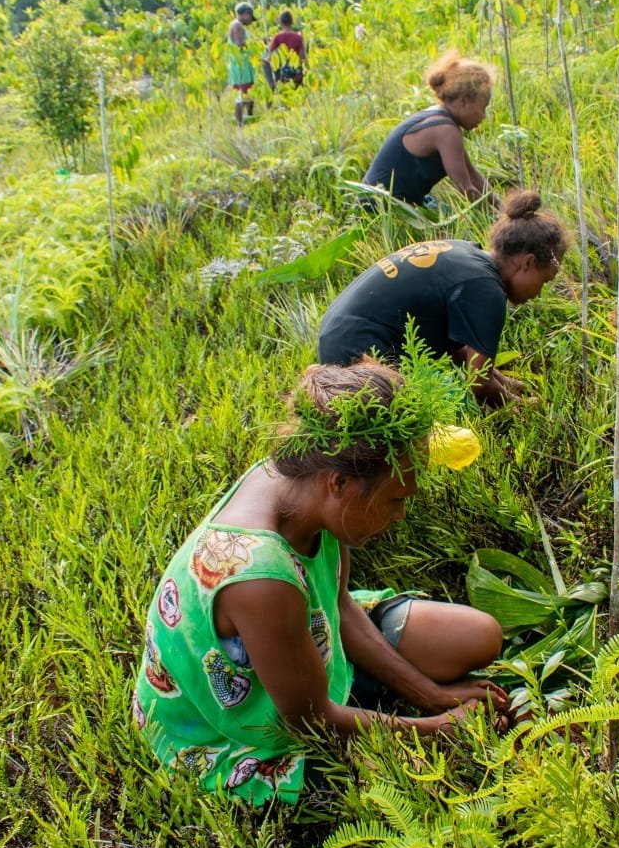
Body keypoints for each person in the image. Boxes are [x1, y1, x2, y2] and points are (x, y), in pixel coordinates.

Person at [132, 361, 508, 805]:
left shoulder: (305, 484)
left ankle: (359, 692)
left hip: (304, 632)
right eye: (394, 500)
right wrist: (435, 729)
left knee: (478, 637)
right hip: (236, 720)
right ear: (341, 484)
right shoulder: (260, 579)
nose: (400, 516)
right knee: (403, 791)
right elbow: (309, 720)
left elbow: (337, 601)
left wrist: (430, 695)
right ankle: (359, 713)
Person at [318, 190, 567, 406]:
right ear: (528, 262)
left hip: (337, 332)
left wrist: (506, 383)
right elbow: (478, 384)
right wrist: (524, 407)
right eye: (544, 281)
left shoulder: (466, 253)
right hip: (356, 352)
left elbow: (459, 350)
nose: (539, 293)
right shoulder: (487, 290)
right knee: (403, 426)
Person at [363, 51, 492, 206]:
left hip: (388, 202)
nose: (483, 116)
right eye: (482, 108)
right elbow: (466, 189)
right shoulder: (445, 131)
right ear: (464, 102)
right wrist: (496, 219)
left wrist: (501, 207)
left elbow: (473, 176)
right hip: (378, 207)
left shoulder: (442, 121)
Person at [227, 2, 257, 126]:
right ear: (245, 14)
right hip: (241, 66)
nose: (250, 20)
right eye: (250, 16)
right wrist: (256, 45)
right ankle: (241, 124)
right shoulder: (237, 25)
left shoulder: (238, 25)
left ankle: (249, 119)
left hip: (244, 65)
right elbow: (240, 44)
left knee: (249, 93)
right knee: (243, 94)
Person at [264, 10, 307, 93]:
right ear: (292, 22)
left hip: (284, 68)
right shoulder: (298, 37)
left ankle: (272, 86)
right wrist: (306, 68)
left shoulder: (278, 37)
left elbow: (270, 52)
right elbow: (302, 55)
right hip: (296, 67)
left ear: (281, 23)